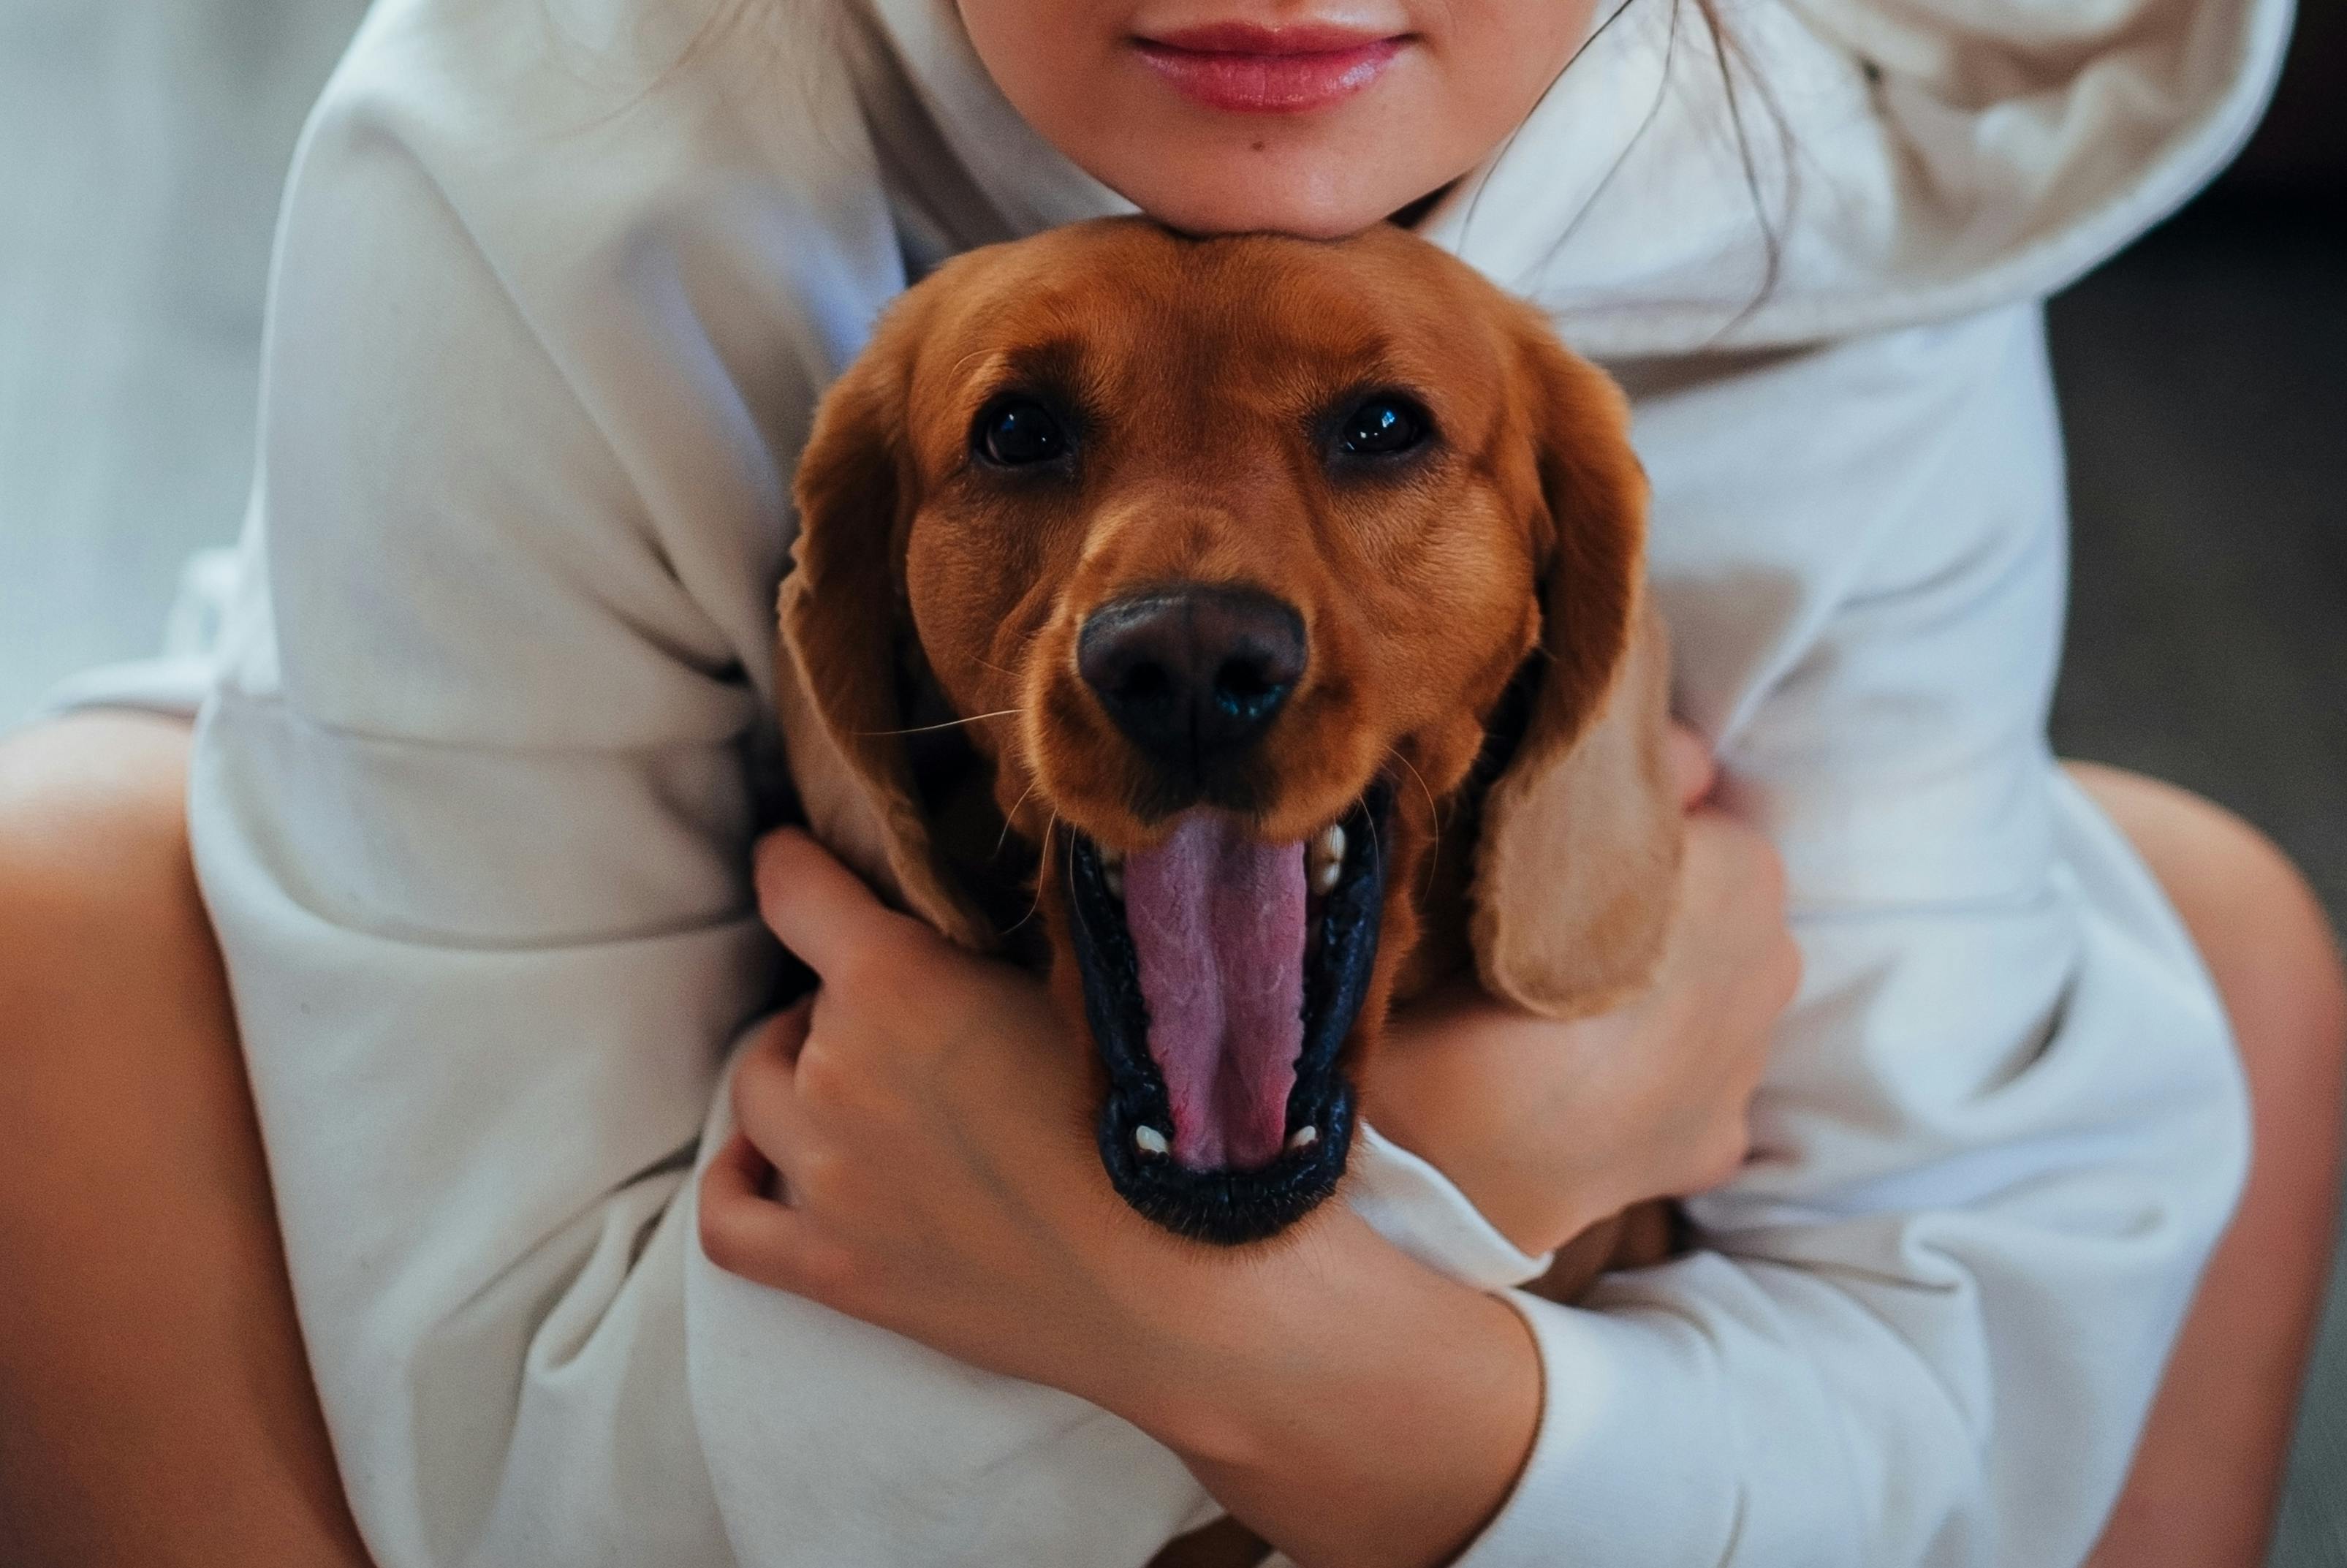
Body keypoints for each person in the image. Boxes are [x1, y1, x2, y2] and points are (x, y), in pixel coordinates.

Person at [0, 0, 2337, 1563]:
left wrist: (1341, 1361)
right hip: (669, 1182)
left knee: (2217, 948)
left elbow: (1959, 1437)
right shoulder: (541, 143)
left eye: (1381, 434)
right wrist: (1468, 1165)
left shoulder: (1870, 207)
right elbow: (510, 1468)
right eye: (1019, 438)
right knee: (48, 938)